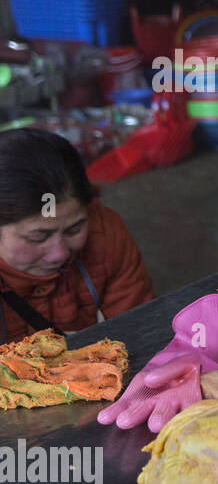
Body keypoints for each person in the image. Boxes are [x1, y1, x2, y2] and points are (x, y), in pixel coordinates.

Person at [0, 130, 154, 345]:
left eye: (74, 230)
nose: (59, 254)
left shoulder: (104, 232)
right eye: (38, 237)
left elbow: (140, 327)